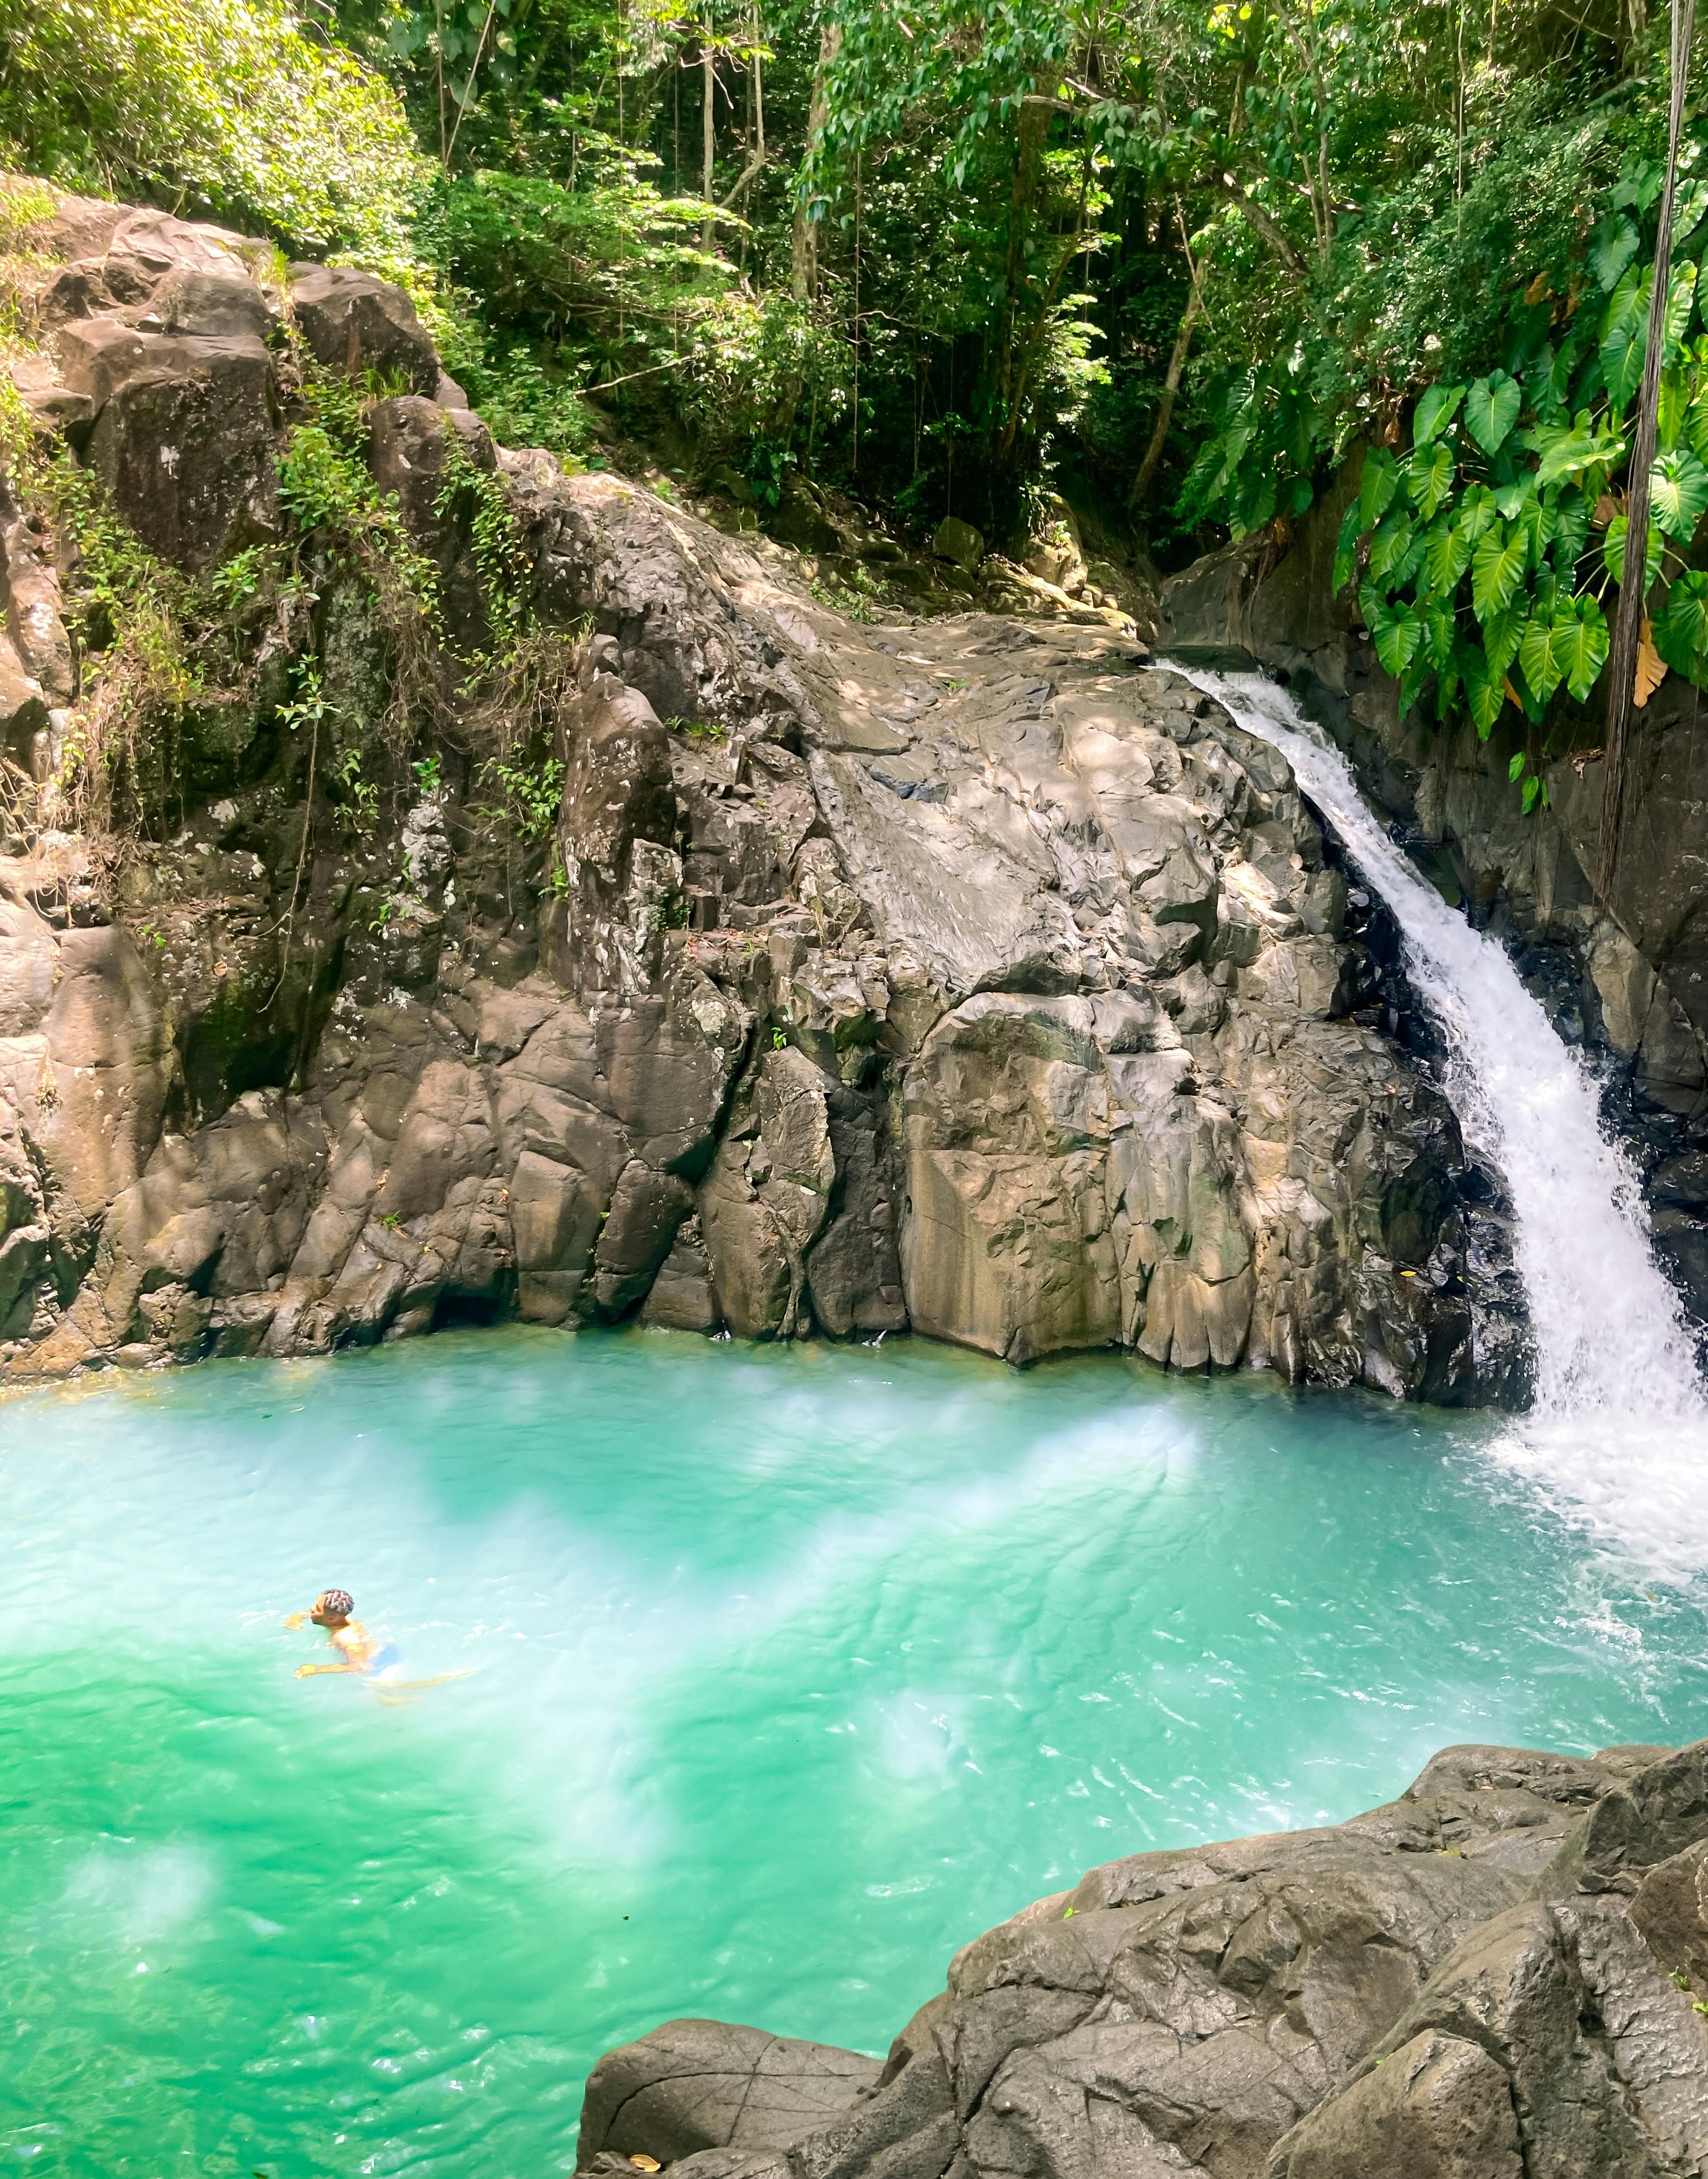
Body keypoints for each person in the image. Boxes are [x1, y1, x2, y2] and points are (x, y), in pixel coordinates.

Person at [284, 1589, 404, 1684]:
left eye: (317, 1608)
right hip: (382, 1651)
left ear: (332, 1618)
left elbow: (362, 1666)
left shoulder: (345, 1638)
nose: (312, 1608)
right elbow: (312, 1615)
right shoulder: (338, 1619)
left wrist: (316, 1670)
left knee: (384, 1697)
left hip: (378, 1667)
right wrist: (297, 1617)